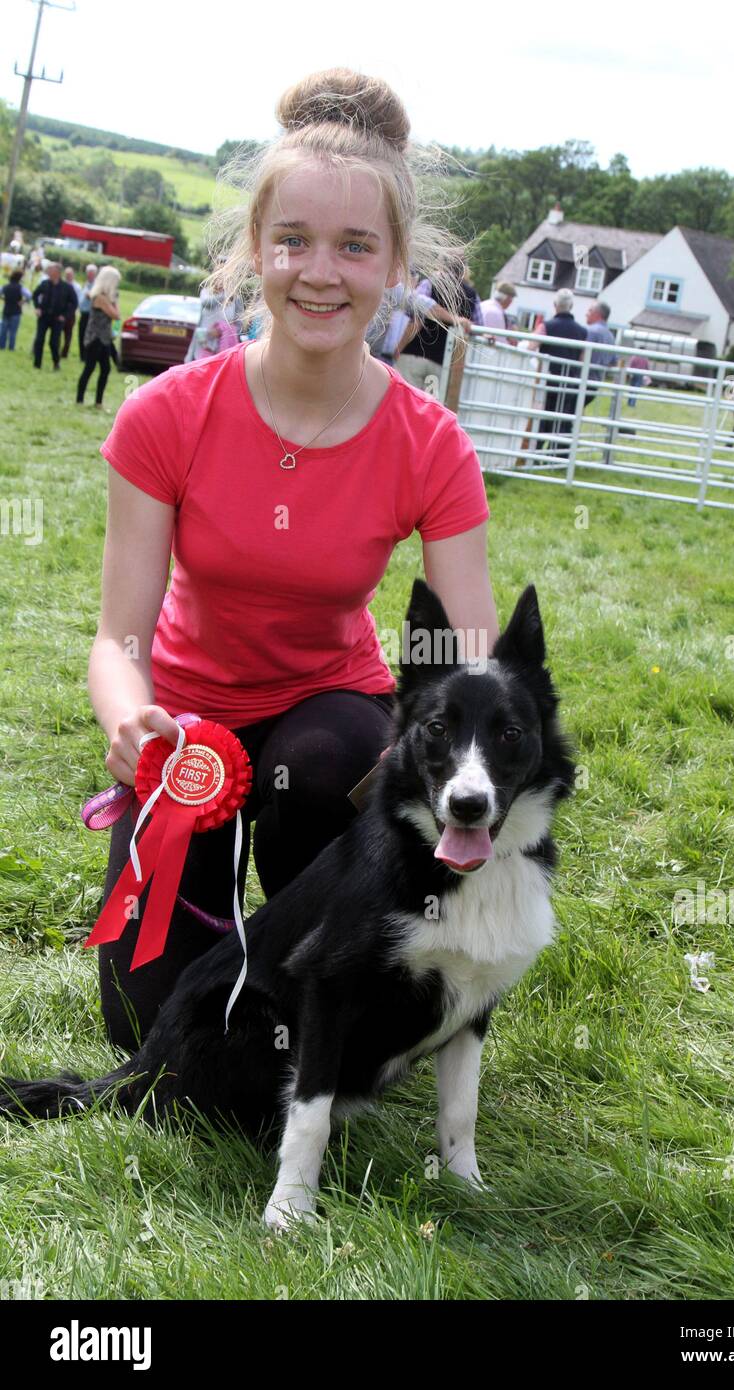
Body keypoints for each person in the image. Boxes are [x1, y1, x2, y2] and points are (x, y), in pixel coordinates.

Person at [86, 67, 497, 1052]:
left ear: (396, 264)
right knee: (149, 1031)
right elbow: (117, 638)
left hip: (329, 720)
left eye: (355, 245)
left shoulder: (431, 444)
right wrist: (131, 722)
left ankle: (333, 961)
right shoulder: (163, 416)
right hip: (186, 729)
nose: (321, 272)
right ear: (254, 251)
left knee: (325, 765)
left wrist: (440, 753)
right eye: (294, 240)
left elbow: (470, 652)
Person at [395, 268, 477, 395]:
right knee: (429, 403)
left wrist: (398, 348)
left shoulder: (429, 284)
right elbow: (477, 326)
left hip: (414, 355)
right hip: (442, 363)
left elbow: (417, 319)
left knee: (404, 398)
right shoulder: (472, 295)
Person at [534, 288, 587, 456]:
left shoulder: (546, 326)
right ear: (571, 306)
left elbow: (531, 347)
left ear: (555, 305)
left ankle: (534, 453)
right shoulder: (582, 331)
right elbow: (582, 359)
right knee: (564, 419)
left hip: (548, 380)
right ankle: (560, 456)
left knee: (543, 418)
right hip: (569, 382)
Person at [76, 265, 121, 408]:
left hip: (104, 338)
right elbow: (116, 315)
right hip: (95, 338)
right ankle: (79, 399)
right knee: (89, 368)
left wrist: (113, 299)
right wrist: (115, 300)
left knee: (105, 369)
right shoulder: (99, 298)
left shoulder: (105, 298)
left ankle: (98, 402)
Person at [32, 262, 75, 371]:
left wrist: (65, 315)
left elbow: (74, 303)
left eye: (51, 270)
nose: (49, 272)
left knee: (54, 342)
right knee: (39, 340)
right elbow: (35, 294)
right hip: (44, 316)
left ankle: (56, 363)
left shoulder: (66, 287)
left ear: (57, 273)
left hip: (57, 319)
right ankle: (37, 364)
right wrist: (37, 307)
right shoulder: (45, 284)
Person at [583, 299, 616, 406]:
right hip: (595, 384)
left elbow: (582, 355)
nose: (586, 314)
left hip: (582, 381)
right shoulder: (610, 336)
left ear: (597, 314)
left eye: (590, 310)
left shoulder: (591, 331)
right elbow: (613, 362)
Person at [0, 269, 30, 350]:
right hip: (16, 311)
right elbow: (29, 295)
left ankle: (2, 346)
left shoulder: (5, 287)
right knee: (13, 332)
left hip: (6, 310)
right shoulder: (20, 288)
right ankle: (11, 347)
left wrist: (3, 298)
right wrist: (23, 301)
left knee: (3, 330)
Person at [77, 263, 98, 360]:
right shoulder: (86, 284)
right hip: (83, 313)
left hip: (91, 314)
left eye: (91, 273)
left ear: (95, 274)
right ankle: (82, 355)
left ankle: (88, 355)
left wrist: (90, 296)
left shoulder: (96, 285)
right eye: (88, 273)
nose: (89, 275)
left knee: (89, 335)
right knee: (81, 333)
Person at [61, 266, 81, 358]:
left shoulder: (77, 287)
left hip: (71, 313)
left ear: (73, 275)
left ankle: (65, 352)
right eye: (67, 274)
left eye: (70, 274)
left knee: (68, 333)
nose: (68, 276)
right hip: (61, 312)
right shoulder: (61, 284)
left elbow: (77, 301)